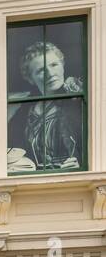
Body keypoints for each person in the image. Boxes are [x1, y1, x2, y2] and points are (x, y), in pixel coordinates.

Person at [7, 40, 84, 172]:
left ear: (63, 65)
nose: (50, 73)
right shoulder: (23, 113)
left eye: (54, 64)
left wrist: (81, 162)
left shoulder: (77, 101)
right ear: (30, 78)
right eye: (41, 70)